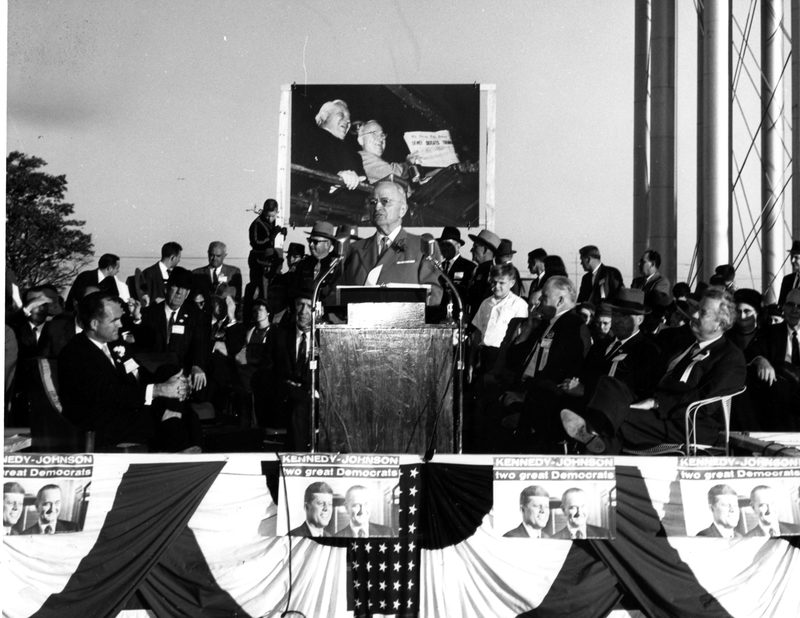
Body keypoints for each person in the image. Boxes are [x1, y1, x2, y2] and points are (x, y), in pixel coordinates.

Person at [561, 287, 747, 454]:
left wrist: (656, 403)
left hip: (686, 423)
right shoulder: (684, 343)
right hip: (657, 412)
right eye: (697, 309)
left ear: (720, 324)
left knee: (617, 415)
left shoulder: (730, 357)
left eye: (703, 313)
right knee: (609, 385)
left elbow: (704, 402)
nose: (695, 315)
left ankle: (594, 445)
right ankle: (596, 438)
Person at [59, 292, 199, 451]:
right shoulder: (75, 353)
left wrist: (171, 385)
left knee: (181, 408)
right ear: (94, 324)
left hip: (124, 408)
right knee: (168, 416)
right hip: (98, 421)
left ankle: (194, 455)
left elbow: (136, 372)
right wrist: (158, 390)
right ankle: (182, 459)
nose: (120, 325)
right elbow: (108, 394)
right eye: (114, 320)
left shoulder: (113, 343)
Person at [341, 178, 443, 305]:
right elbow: (336, 296)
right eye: (373, 202)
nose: (377, 207)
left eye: (385, 201)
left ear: (403, 210)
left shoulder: (423, 247)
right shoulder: (354, 250)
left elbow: (433, 295)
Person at [132, 267, 210, 392]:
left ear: (188, 293)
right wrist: (137, 320)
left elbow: (200, 344)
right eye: (176, 286)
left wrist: (197, 366)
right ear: (166, 288)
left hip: (183, 375)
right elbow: (142, 344)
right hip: (155, 375)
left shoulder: (195, 316)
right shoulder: (148, 314)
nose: (179, 292)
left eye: (184, 288)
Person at [253, 293, 314, 450]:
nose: (303, 311)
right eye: (300, 304)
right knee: (299, 407)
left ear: (318, 310)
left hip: (314, 393)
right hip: (284, 395)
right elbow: (266, 369)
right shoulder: (278, 333)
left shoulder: (323, 336)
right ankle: (300, 460)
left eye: (309, 306)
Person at [745, 288, 800, 431]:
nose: (794, 310)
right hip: (779, 397)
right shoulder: (771, 331)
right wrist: (760, 360)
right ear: (783, 307)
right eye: (790, 305)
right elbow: (752, 351)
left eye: (799, 306)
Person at [470, 263, 528, 378]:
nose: (496, 286)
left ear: (511, 283)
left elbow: (521, 336)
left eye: (501, 283)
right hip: (484, 355)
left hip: (503, 356)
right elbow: (478, 334)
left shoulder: (519, 305)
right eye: (493, 282)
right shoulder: (486, 303)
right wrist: (471, 361)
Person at [297, 99, 365, 190]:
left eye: (349, 120)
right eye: (341, 114)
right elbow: (306, 169)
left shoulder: (356, 156)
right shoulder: (309, 137)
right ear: (325, 116)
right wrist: (337, 177)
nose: (347, 121)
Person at [288, 221, 340, 305]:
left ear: (327, 244)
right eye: (310, 240)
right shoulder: (302, 265)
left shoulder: (336, 266)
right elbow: (292, 291)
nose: (311, 244)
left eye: (315, 242)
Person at [357, 120, 421, 184]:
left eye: (382, 135)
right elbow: (393, 173)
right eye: (374, 134)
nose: (380, 139)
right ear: (361, 140)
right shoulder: (360, 158)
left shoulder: (377, 161)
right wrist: (409, 163)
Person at [465, 229, 502, 316]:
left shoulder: (491, 273)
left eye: (475, 247)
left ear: (485, 250)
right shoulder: (478, 270)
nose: (471, 250)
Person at [437, 226, 476, 302]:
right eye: (442, 245)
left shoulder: (469, 267)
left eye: (448, 245)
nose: (445, 248)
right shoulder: (438, 267)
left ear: (458, 246)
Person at [778, 240, 800, 306]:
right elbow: (781, 304)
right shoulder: (787, 279)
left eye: (796, 257)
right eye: (791, 257)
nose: (792, 260)